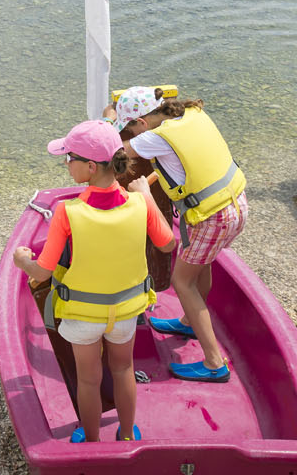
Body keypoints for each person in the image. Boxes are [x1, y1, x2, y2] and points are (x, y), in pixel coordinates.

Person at [13, 120, 176, 442]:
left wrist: (22, 261)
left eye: (69, 157)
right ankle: (127, 434)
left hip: (82, 316)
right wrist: (145, 193)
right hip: (126, 312)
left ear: (89, 166)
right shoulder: (139, 203)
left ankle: (90, 440)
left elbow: (42, 273)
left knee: (88, 381)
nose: (66, 163)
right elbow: (168, 244)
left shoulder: (67, 212)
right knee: (123, 370)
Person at [111, 86, 247, 383]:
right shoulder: (189, 115)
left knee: (182, 282)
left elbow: (116, 155)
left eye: (129, 128)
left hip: (213, 217)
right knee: (202, 264)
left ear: (142, 123)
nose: (129, 134)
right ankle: (188, 322)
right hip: (235, 204)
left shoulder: (152, 138)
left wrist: (109, 123)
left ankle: (214, 363)